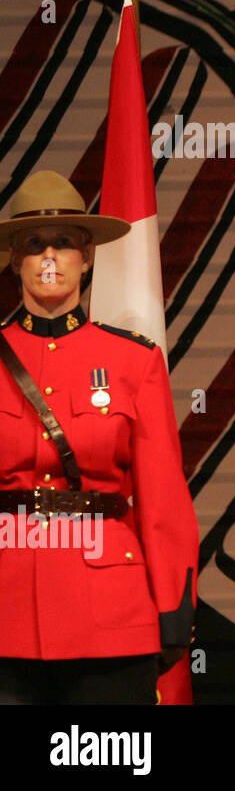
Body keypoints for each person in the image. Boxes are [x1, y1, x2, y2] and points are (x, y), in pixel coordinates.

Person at [0, 170, 198, 704]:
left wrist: (173, 607)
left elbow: (161, 499)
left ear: (86, 257)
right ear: (13, 259)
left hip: (110, 611)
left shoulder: (132, 361)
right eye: (33, 244)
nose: (49, 257)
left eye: (64, 243)